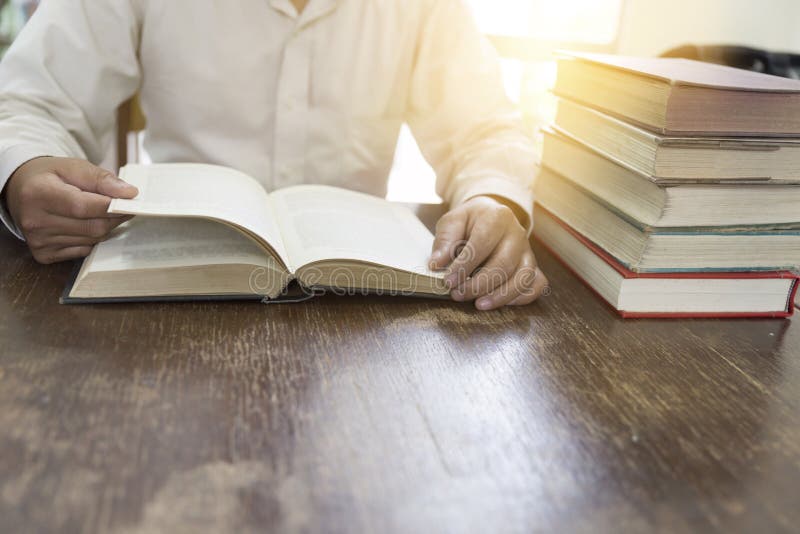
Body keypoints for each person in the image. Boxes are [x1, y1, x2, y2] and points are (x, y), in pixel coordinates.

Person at [0, 0, 548, 310]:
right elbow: (23, 100)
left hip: (360, 302)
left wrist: (493, 196)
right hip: (167, 292)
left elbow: (486, 130)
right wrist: (23, 170)